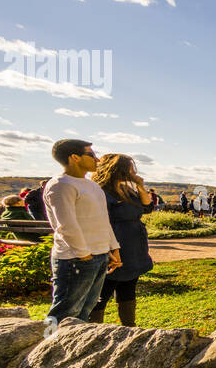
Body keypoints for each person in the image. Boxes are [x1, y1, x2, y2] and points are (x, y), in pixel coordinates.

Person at [43, 139, 121, 324]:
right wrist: (83, 254)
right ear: (75, 157)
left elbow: (103, 219)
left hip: (99, 254)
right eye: (91, 155)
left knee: (85, 309)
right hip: (75, 258)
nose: (98, 159)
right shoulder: (61, 185)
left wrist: (112, 247)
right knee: (64, 311)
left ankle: (72, 348)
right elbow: (66, 225)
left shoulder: (92, 185)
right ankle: (48, 346)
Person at [88, 154, 154, 327]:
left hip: (134, 244)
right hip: (114, 241)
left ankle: (129, 327)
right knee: (105, 287)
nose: (133, 171)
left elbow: (147, 207)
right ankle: (93, 329)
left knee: (128, 285)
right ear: (119, 169)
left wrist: (140, 186)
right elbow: (100, 222)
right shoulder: (101, 192)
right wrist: (110, 248)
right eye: (130, 167)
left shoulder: (127, 189)